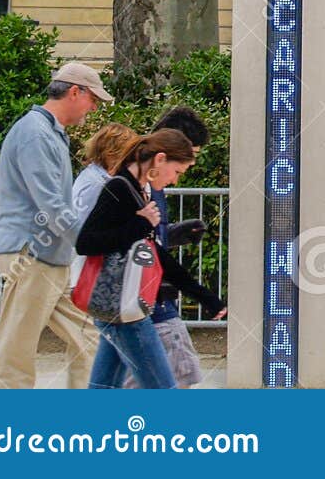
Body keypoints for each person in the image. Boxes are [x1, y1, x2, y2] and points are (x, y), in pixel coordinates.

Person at [0, 62, 111, 389]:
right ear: (75, 92)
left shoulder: (48, 132)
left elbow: (57, 205)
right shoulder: (35, 133)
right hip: (31, 255)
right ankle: (1, 428)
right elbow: (52, 204)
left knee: (90, 339)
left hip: (47, 256)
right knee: (15, 353)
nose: (94, 107)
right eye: (93, 99)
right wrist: (91, 241)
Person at [75, 129, 226, 390]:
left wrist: (204, 296)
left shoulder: (134, 189)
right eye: (177, 172)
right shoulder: (120, 188)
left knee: (103, 388)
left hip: (119, 307)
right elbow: (86, 242)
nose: (176, 181)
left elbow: (156, 254)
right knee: (162, 388)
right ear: (160, 159)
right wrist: (140, 224)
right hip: (124, 309)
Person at [137, 105, 214, 388]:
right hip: (150, 299)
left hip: (145, 296)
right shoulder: (141, 183)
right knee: (178, 372)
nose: (183, 173)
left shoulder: (147, 179)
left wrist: (173, 234)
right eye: (187, 158)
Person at [71, 123, 139, 222]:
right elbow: (86, 228)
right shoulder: (96, 185)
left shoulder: (94, 175)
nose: (131, 161)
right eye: (128, 155)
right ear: (111, 154)